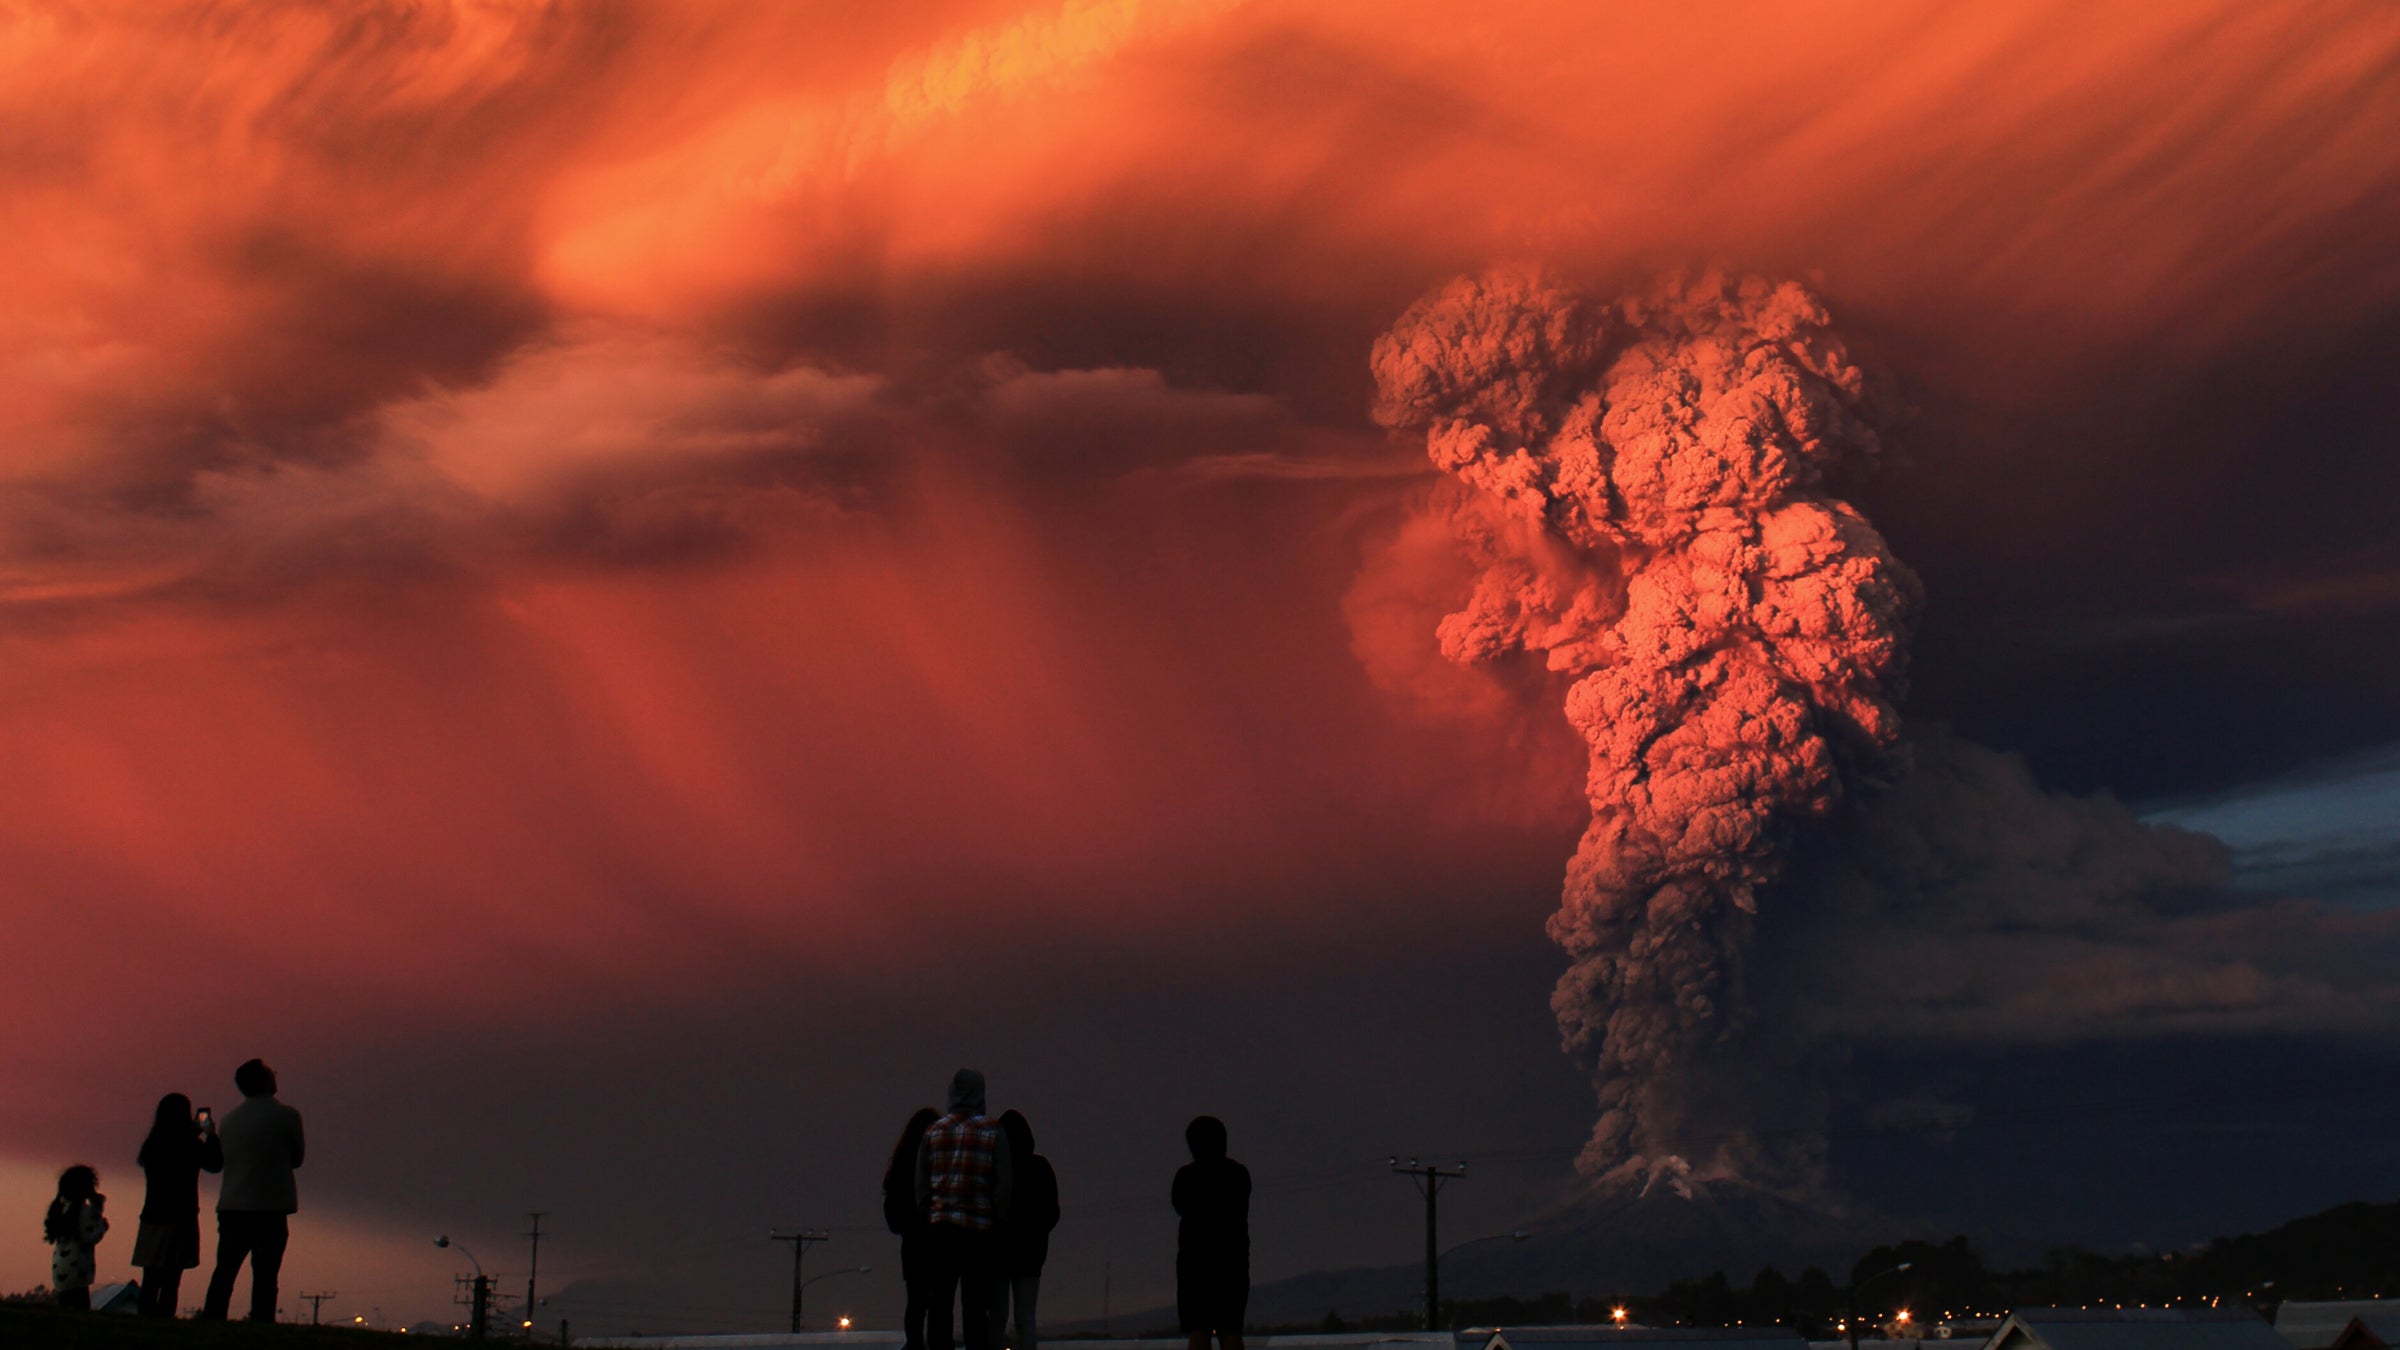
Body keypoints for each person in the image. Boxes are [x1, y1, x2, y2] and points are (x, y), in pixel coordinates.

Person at [201, 1059, 305, 1322]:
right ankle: (262, 1319)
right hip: (271, 1205)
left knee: (225, 1270)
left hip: (233, 1205)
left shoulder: (229, 1121)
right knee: (266, 1273)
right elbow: (297, 1158)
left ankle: (213, 1316)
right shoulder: (288, 1116)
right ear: (264, 1081)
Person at [916, 1068, 1012, 1350]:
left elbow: (921, 1185)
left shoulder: (933, 1131)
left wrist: (929, 1217)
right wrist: (999, 1220)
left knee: (940, 1303)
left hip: (941, 1228)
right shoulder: (993, 1130)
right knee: (975, 1305)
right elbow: (1003, 1185)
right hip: (978, 1230)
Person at [134, 1093, 223, 1317]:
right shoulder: (190, 1144)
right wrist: (210, 1135)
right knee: (172, 1281)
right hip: (181, 1218)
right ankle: (164, 1321)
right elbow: (214, 1164)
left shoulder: (153, 1144)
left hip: (153, 1217)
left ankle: (144, 1321)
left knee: (150, 1279)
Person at [1172, 1115, 1250, 1350]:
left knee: (1198, 1329)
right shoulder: (1238, 1174)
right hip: (1232, 1263)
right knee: (1231, 1330)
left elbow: (1179, 1206)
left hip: (1194, 1265)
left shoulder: (1186, 1176)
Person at [988, 1110, 1058, 1350]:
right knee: (1026, 1318)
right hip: (1031, 1255)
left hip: (998, 1255)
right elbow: (1052, 1212)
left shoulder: (993, 1169)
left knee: (996, 1320)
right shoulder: (1040, 1167)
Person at [884, 1106, 941, 1350]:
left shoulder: (902, 1163)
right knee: (939, 1303)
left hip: (913, 1242)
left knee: (916, 1303)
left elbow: (893, 1210)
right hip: (939, 1240)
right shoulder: (939, 1162)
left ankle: (915, 1345)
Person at [43, 1165, 109, 1311]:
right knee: (81, 1306)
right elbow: (88, 1237)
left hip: (61, 1268)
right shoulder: (84, 1211)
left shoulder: (62, 1210)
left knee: (65, 1304)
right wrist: (102, 1226)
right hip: (78, 1269)